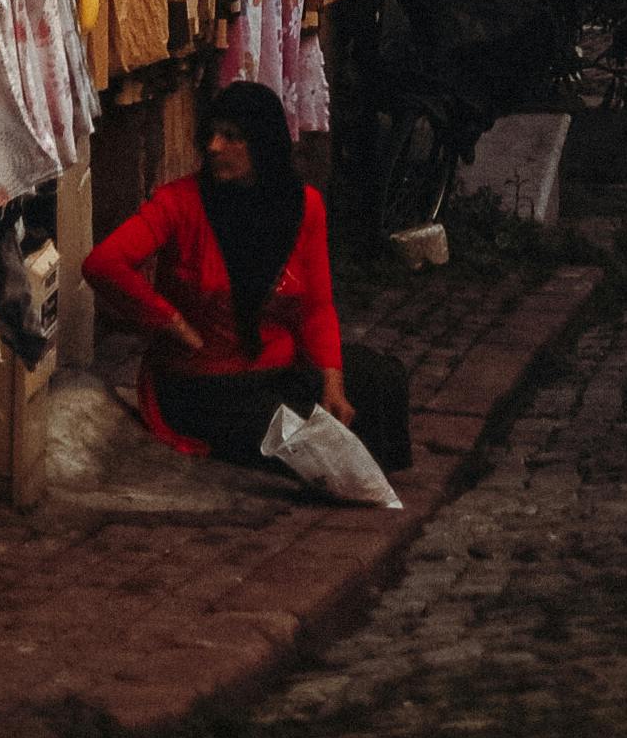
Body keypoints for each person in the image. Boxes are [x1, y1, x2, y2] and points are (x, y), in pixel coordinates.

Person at [83, 79, 410, 471]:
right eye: (212, 135)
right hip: (205, 384)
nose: (214, 147)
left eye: (232, 137)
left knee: (379, 380)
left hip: (276, 369)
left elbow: (317, 308)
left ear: (263, 145)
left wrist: (333, 386)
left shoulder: (304, 206)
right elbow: (103, 263)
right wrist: (172, 323)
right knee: (300, 436)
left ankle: (368, 488)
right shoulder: (180, 202)